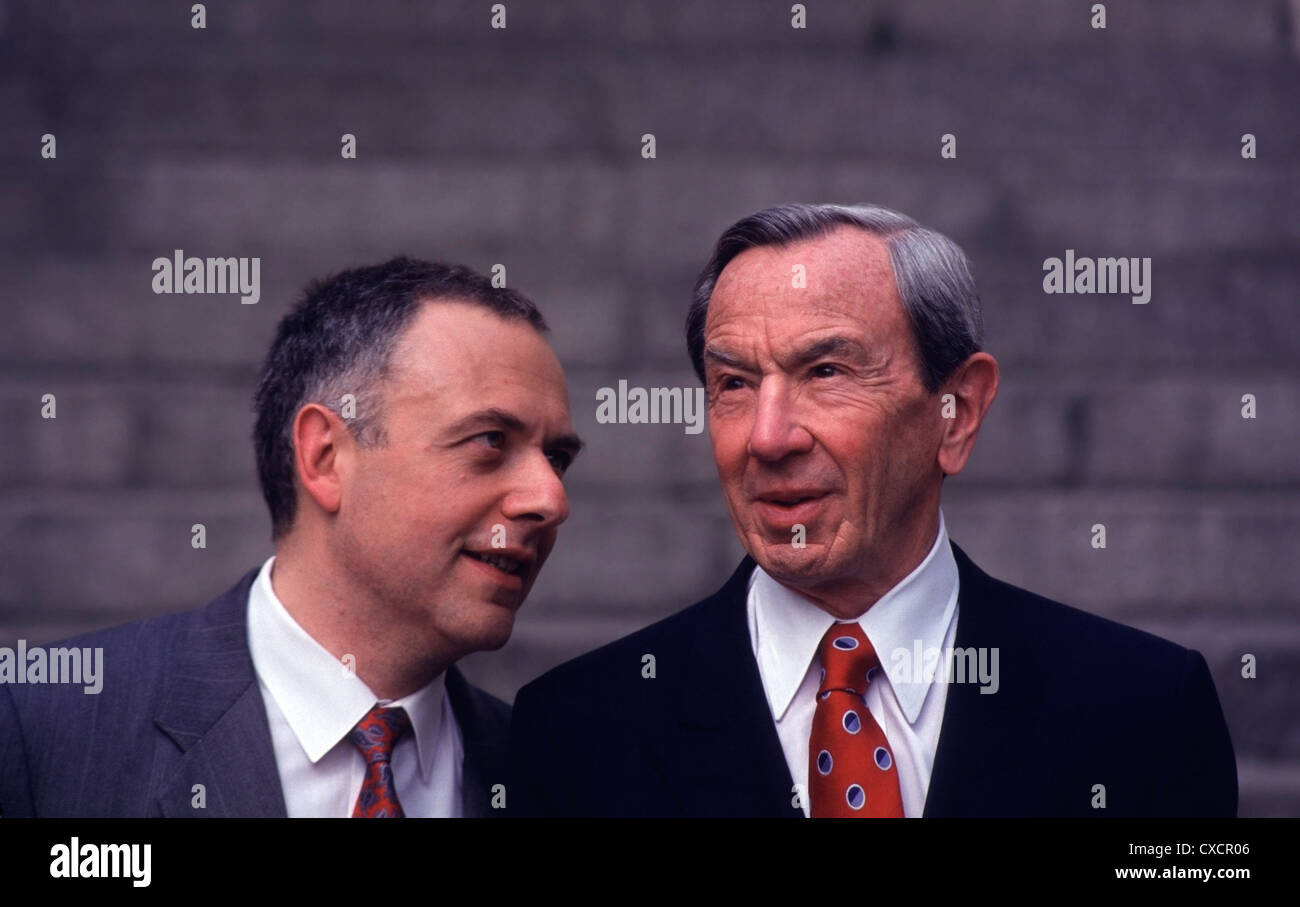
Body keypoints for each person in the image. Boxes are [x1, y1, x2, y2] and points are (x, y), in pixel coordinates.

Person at [510, 203, 1237, 817]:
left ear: (956, 414)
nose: (768, 437)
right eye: (733, 383)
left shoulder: (1144, 712)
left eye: (826, 372)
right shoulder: (579, 730)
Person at [0, 257, 581, 817]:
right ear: (325, 457)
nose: (550, 500)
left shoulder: (556, 774)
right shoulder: (46, 730)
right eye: (489, 441)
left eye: (556, 458)